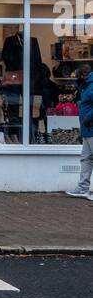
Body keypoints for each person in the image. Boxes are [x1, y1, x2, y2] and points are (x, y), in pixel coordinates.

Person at [66, 62, 93, 198]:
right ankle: (83, 188)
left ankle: (85, 188)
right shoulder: (86, 86)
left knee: (88, 158)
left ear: (83, 74)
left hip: (91, 127)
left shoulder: (91, 86)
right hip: (87, 129)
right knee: (86, 158)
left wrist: (89, 118)